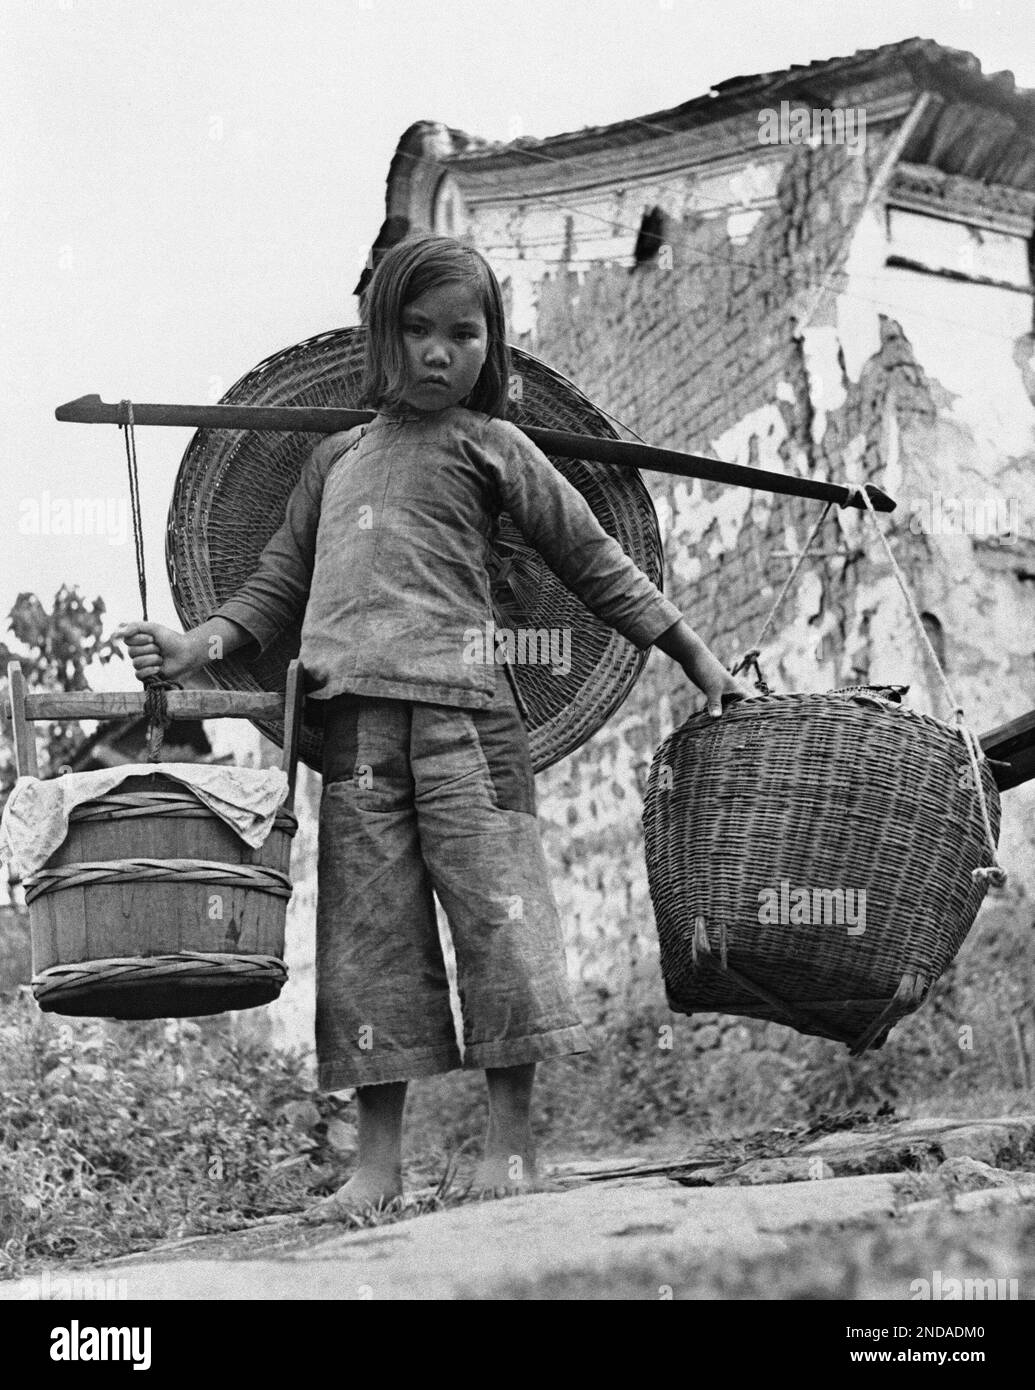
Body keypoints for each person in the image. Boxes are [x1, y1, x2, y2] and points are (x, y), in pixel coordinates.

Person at [114, 233, 753, 1214]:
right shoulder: (335, 462)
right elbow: (270, 593)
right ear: (383, 338)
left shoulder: (496, 447)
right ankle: (375, 1168)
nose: (440, 352)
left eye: (464, 332)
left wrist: (696, 655)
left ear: (490, 345)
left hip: (473, 726)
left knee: (503, 923)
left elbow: (594, 560)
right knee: (366, 943)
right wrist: (193, 644)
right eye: (418, 331)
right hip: (356, 735)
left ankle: (511, 1144)